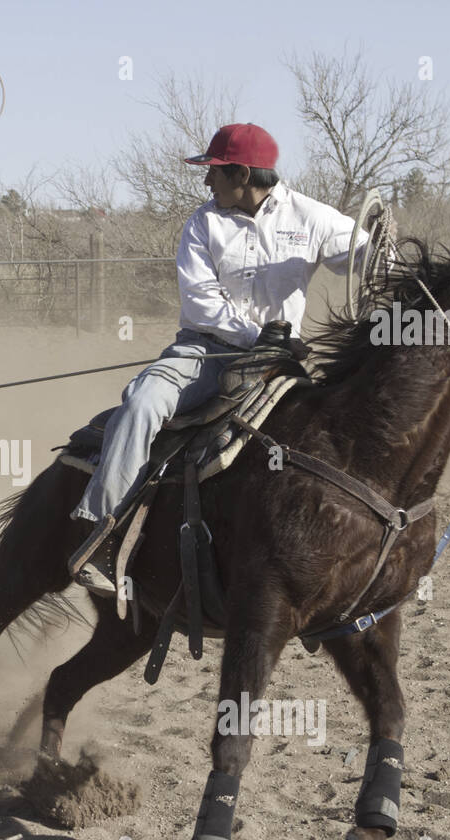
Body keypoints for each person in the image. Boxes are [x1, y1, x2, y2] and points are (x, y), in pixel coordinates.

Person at [70, 122, 382, 593]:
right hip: (204, 351)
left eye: (214, 171)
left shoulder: (311, 217)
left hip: (278, 363)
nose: (206, 181)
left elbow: (365, 258)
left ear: (243, 175)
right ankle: (102, 534)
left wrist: (382, 246)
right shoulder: (202, 223)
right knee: (142, 404)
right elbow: (202, 303)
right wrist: (261, 334)